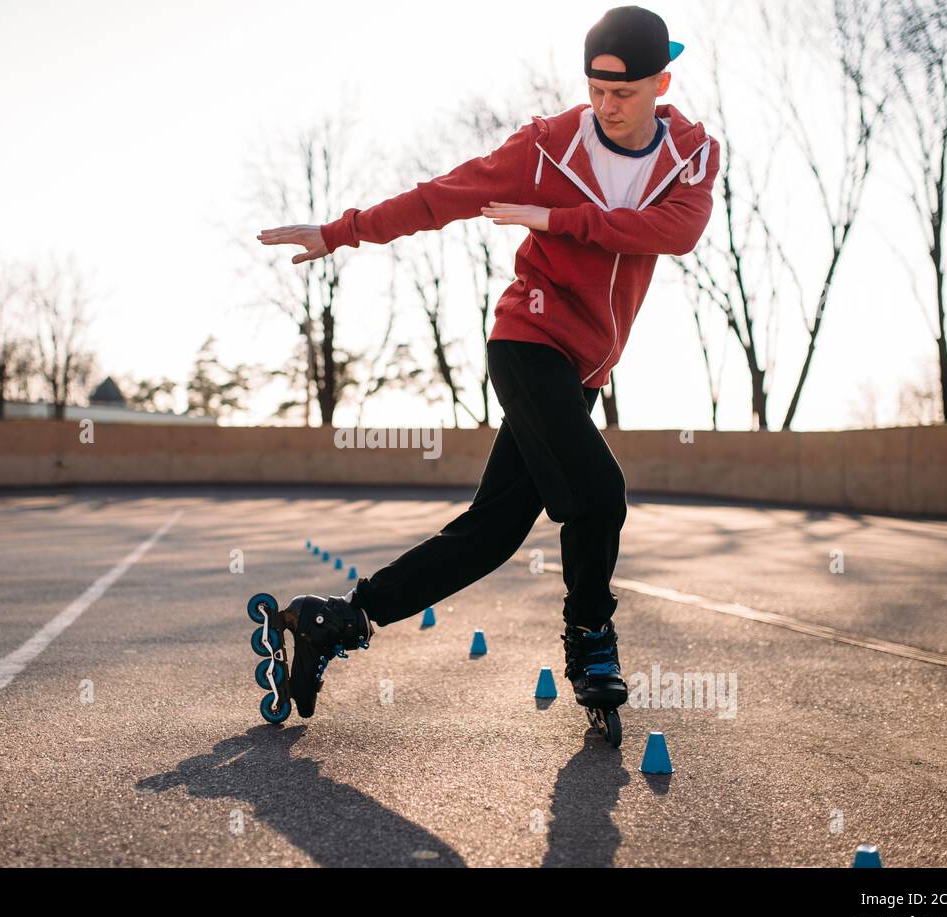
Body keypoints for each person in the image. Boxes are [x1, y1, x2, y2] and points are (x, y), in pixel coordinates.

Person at [254, 5, 721, 722]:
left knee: (491, 534)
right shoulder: (546, 149)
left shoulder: (688, 156)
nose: (606, 106)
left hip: (585, 369)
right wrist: (341, 231)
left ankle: (340, 619)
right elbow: (443, 197)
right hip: (528, 340)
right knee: (598, 491)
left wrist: (558, 220)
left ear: (662, 81)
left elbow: (677, 232)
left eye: (623, 93)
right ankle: (592, 640)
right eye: (595, 90)